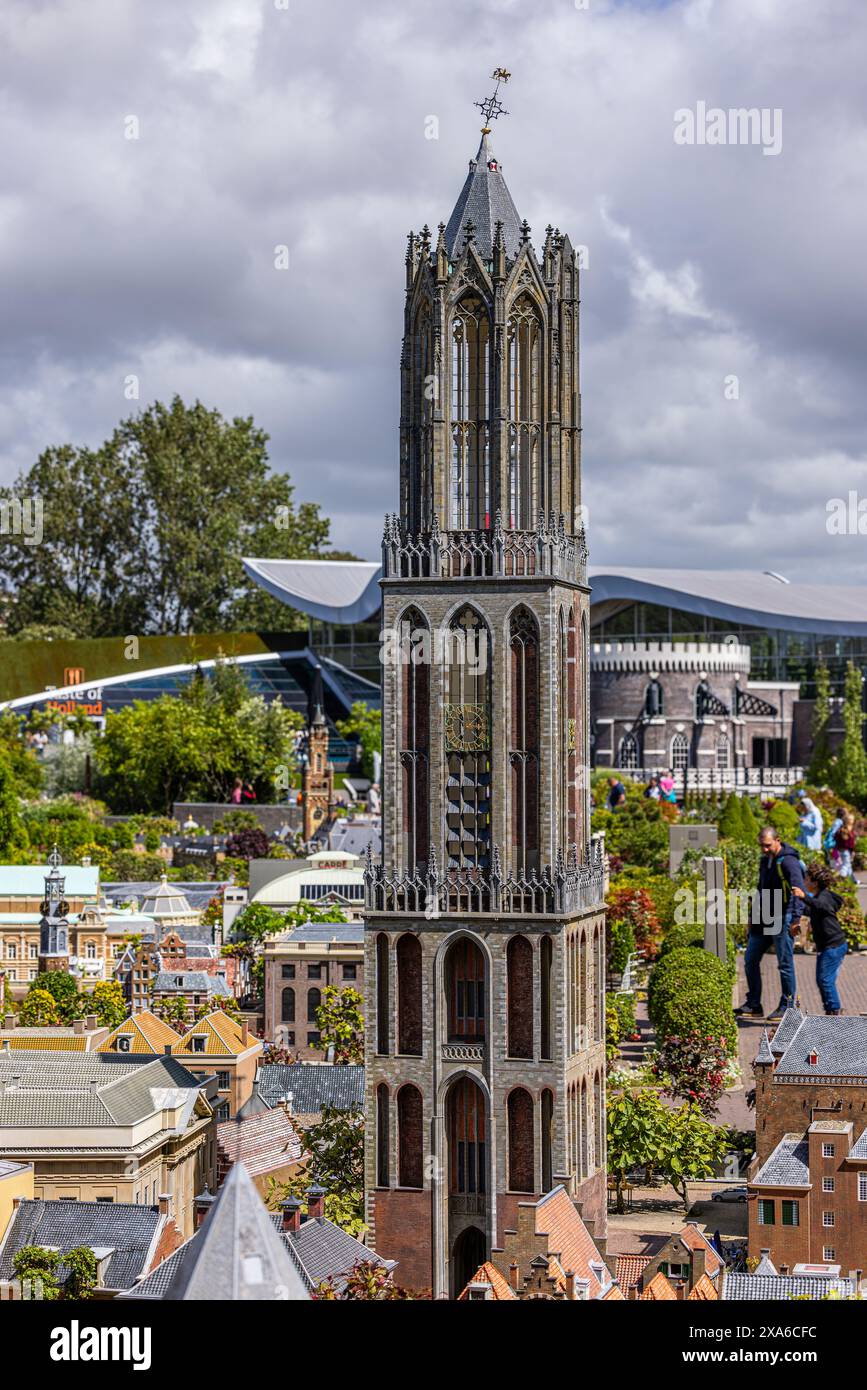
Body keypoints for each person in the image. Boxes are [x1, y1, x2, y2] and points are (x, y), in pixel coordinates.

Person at [735, 826, 805, 1021]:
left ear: (777, 840)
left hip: (783, 917)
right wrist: (752, 916)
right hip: (764, 916)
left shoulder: (789, 861)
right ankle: (754, 1004)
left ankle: (787, 1007)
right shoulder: (765, 860)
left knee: (784, 963)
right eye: (761, 846)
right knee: (750, 959)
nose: (764, 849)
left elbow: (797, 890)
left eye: (767, 845)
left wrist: (796, 918)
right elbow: (760, 889)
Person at [793, 862, 847, 1015]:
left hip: (833, 946)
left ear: (815, 883)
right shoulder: (820, 896)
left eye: (807, 879)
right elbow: (813, 909)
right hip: (828, 946)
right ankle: (830, 1009)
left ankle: (833, 1010)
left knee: (825, 980)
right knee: (823, 979)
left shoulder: (823, 897)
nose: (804, 882)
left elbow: (821, 906)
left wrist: (804, 897)